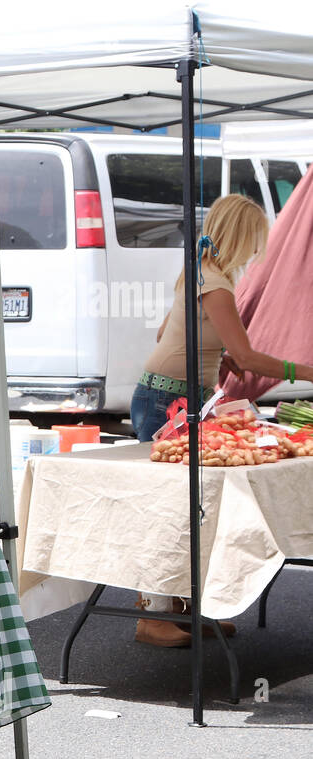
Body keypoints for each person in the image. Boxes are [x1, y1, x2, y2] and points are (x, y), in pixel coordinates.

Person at [131, 194, 313, 647]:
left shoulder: (199, 273)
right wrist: (306, 371)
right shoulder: (215, 283)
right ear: (240, 235)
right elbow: (250, 357)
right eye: (255, 241)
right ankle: (152, 616)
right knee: (173, 507)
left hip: (169, 393)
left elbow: (165, 333)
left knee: (192, 505)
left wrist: (215, 355)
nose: (257, 251)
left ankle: (181, 607)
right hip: (166, 401)